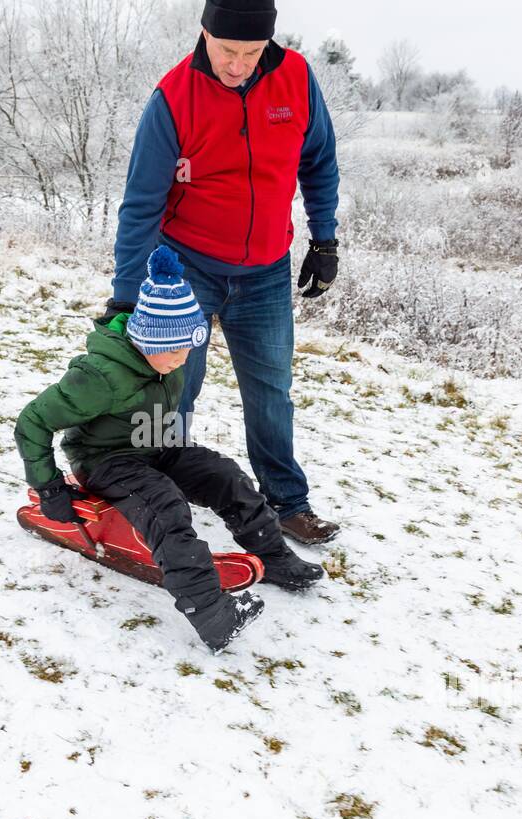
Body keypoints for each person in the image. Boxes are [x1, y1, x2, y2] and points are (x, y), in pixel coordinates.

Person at [107, 0, 342, 545]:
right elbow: (141, 205)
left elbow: (320, 160)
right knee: (173, 387)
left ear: (270, 46)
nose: (237, 65)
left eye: (251, 53)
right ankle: (155, 491)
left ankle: (287, 502)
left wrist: (325, 239)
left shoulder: (297, 80)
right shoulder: (173, 99)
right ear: (204, 34)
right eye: (227, 51)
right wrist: (125, 297)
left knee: (271, 389)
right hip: (185, 266)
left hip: (265, 269)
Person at [16, 246, 324, 652]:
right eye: (174, 350)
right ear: (146, 338)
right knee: (166, 505)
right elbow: (32, 422)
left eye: (188, 350)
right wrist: (50, 486)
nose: (182, 360)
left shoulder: (165, 361)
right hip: (106, 460)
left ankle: (274, 555)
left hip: (156, 442)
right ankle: (211, 613)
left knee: (225, 475)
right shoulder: (99, 377)